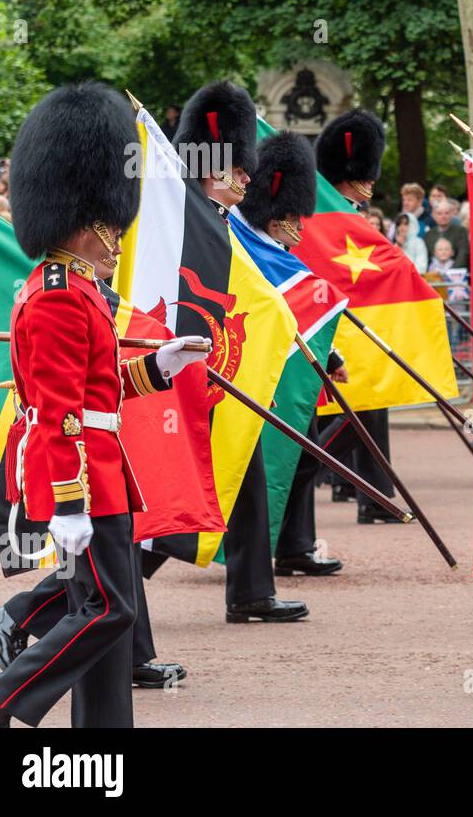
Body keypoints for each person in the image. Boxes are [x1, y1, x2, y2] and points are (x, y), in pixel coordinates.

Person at [0, 82, 209, 728]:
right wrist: (70, 504)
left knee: (105, 606)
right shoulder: (56, 296)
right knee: (110, 610)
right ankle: (0, 700)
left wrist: (160, 367)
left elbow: (99, 387)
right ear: (83, 224)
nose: (118, 238)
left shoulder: (76, 290)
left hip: (103, 466)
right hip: (84, 473)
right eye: (111, 226)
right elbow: (60, 412)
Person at [160, 80, 309, 623]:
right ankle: (43, 608)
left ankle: (250, 592)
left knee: (241, 469)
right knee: (163, 497)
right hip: (170, 375)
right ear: (210, 165)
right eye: (237, 168)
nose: (248, 176)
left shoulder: (217, 220)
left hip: (217, 372)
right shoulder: (177, 219)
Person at [237, 129, 344, 577]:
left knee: (304, 454)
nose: (301, 227)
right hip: (255, 370)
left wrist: (331, 355)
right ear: (276, 215)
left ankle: (293, 545)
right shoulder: (243, 242)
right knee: (255, 466)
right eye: (294, 218)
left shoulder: (272, 245)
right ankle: (159, 546)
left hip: (287, 368)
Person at [313, 108, 403, 525]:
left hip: (361, 321)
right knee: (354, 412)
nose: (371, 182)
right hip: (336, 325)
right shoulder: (330, 214)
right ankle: (362, 490)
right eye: (363, 175)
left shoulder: (347, 211)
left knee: (368, 408)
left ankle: (368, 492)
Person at [424, 197, 470, 269]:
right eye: (439, 213)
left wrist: (450, 273)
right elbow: (426, 258)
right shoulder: (428, 235)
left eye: (447, 213)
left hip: (456, 275)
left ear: (451, 214)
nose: (443, 216)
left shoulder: (461, 232)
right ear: (434, 215)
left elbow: (463, 254)